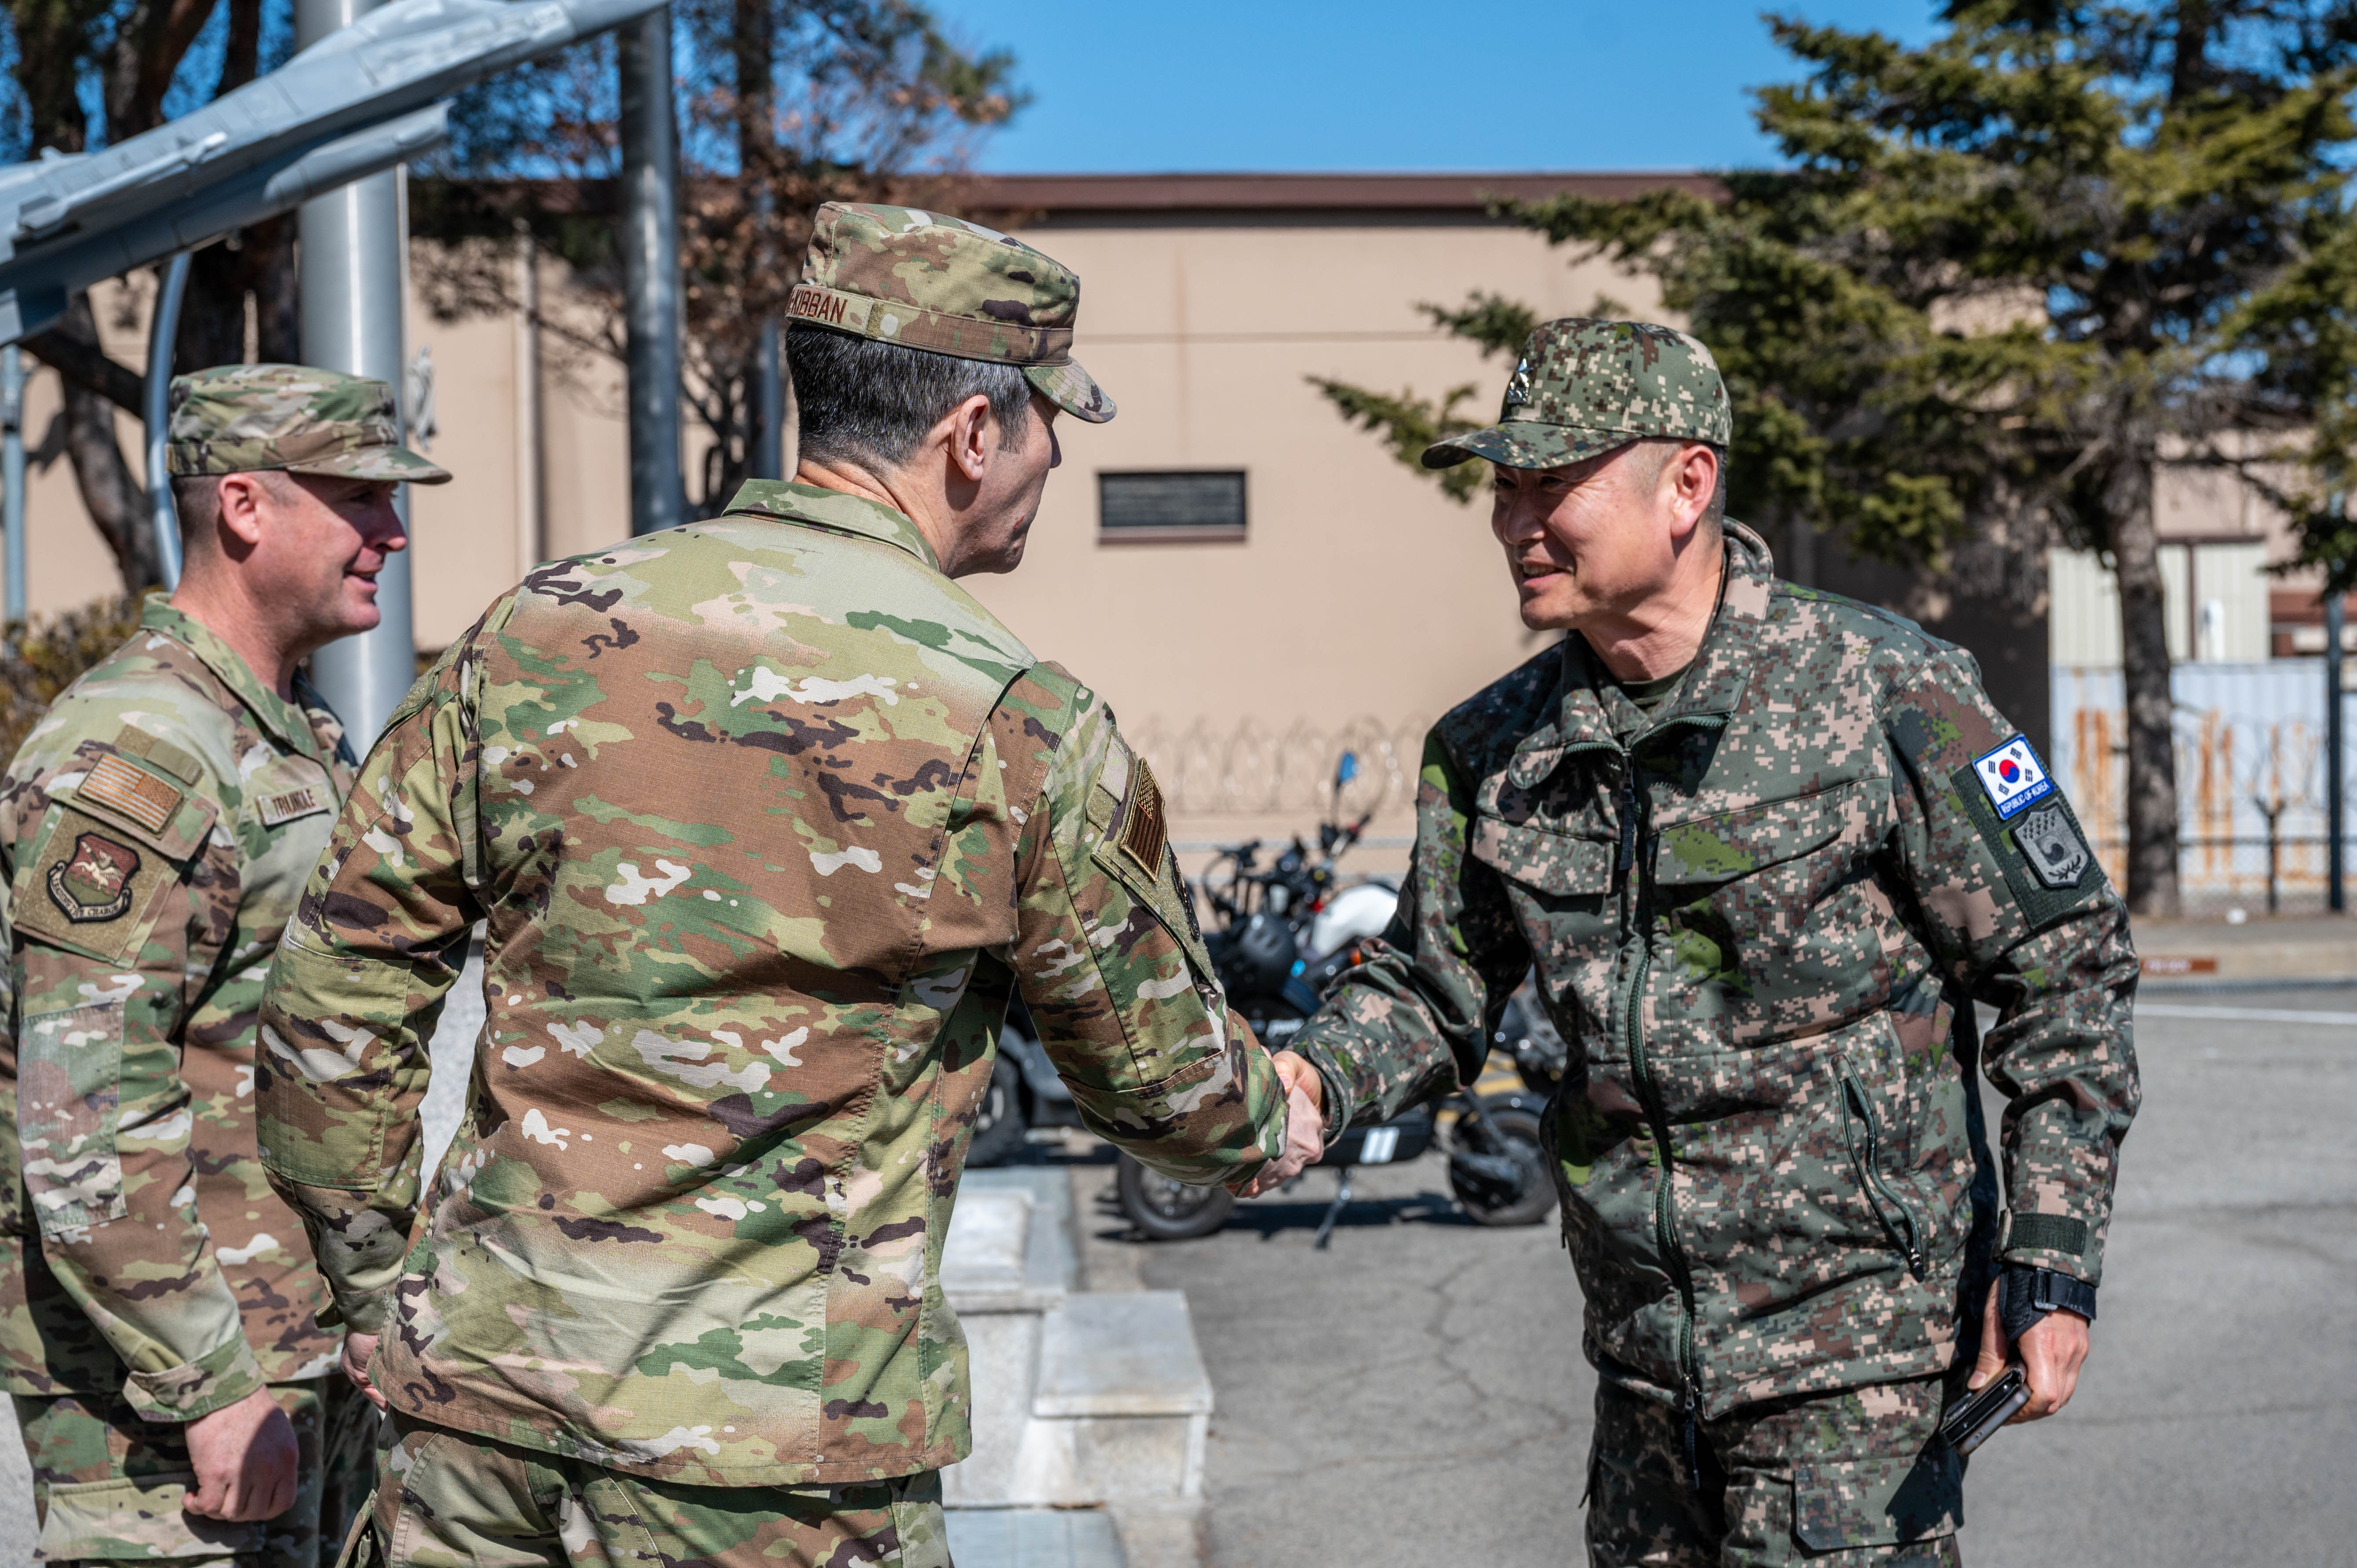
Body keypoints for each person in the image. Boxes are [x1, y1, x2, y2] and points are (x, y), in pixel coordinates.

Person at [254, 202, 1322, 1568]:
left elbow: (336, 984)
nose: (1054, 456)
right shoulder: (1013, 717)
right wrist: (1275, 1109)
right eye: (1050, 420)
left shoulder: (533, 630)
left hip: (477, 1411)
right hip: (770, 1464)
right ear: (974, 434)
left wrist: (377, 1280)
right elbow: (1165, 1087)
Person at [1286, 319, 2141, 1565]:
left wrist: (2050, 1261)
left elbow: (2068, 973)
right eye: (1503, 487)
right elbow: (1429, 987)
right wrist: (1307, 1085)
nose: (1515, 521)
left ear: (1686, 484)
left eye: (1552, 483)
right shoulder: (1493, 750)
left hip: (1855, 1368)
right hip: (1641, 1370)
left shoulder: (1883, 691)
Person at [0, 364, 447, 1565]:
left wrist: (362, 1309)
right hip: (169, 1393)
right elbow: (84, 1115)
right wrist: (207, 1388)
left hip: (288, 1352)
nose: (392, 532)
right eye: (360, 499)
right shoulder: (140, 750)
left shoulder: (286, 729)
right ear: (246, 508)